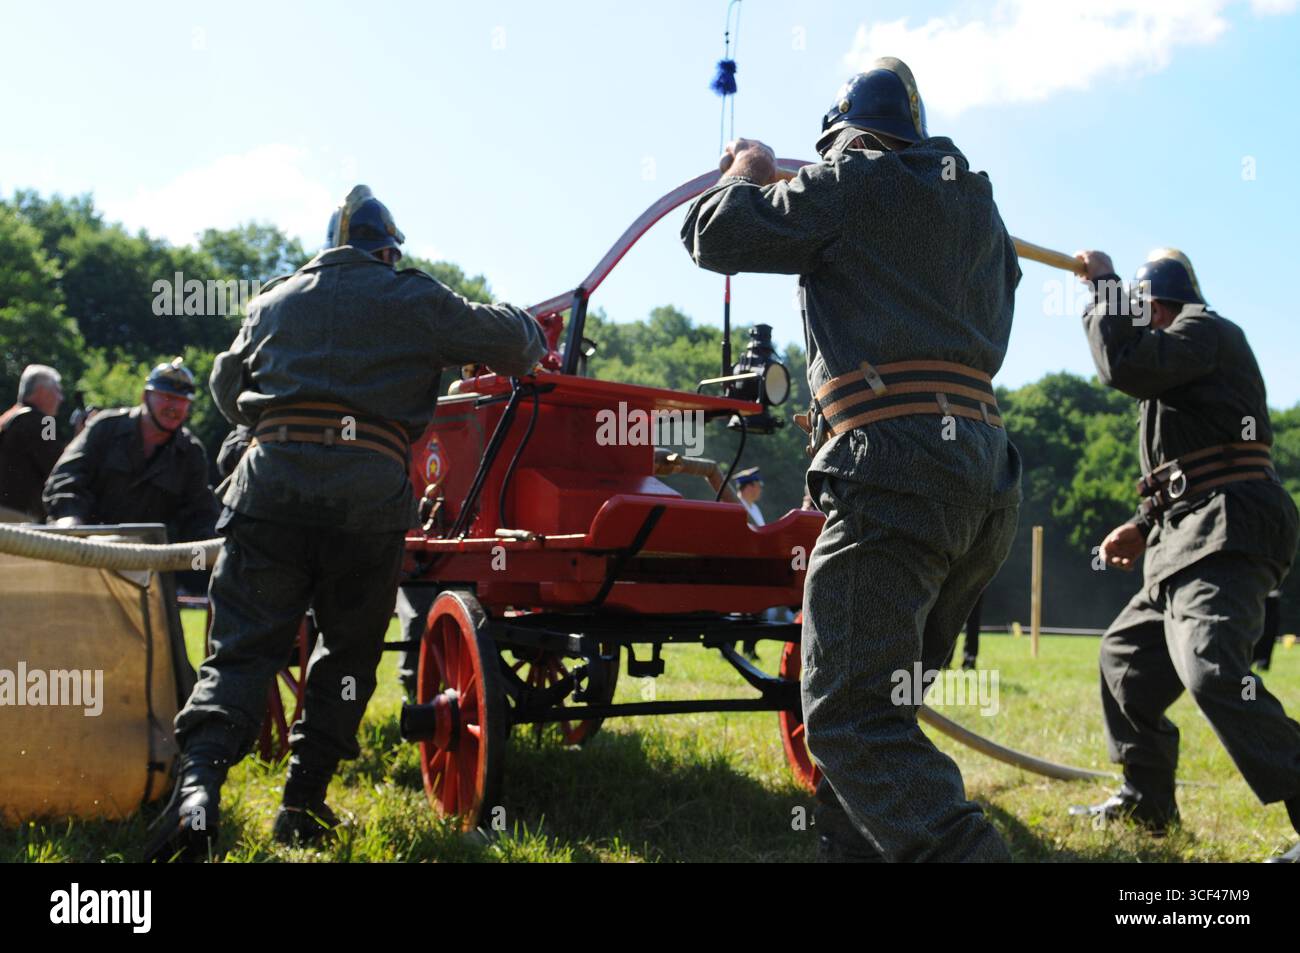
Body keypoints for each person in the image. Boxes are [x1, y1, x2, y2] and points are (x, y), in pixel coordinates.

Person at [682, 58, 1022, 862]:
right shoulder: (979, 207)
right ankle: (852, 848)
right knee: (887, 697)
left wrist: (746, 172)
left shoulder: (855, 178)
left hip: (895, 468)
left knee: (846, 713)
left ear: (848, 137)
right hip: (985, 473)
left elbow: (714, 233)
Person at [146, 185, 547, 860]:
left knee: (241, 649)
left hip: (269, 487)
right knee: (348, 654)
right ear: (387, 251)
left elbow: (224, 385)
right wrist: (524, 321)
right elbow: (516, 344)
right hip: (367, 500)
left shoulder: (273, 298)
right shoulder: (413, 296)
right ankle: (302, 802)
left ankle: (197, 794)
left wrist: (279, 421)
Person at [1071, 248, 1300, 861]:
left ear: (1155, 305)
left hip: (1229, 527)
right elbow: (1189, 467)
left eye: (1138, 310)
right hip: (1184, 537)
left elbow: (1122, 364)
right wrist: (1141, 523)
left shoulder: (1205, 331)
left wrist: (1103, 288)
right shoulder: (1176, 365)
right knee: (1125, 660)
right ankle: (1146, 799)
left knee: (1211, 670)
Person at [42, 359, 217, 544]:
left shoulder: (191, 453)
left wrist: (206, 547)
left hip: (148, 555)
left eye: (182, 400)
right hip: (85, 546)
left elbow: (201, 513)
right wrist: (70, 518)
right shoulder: (106, 428)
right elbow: (65, 477)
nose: (174, 406)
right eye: (167, 396)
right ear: (145, 396)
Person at [0, 364, 66, 520]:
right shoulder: (46, 422)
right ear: (42, 391)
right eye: (57, 390)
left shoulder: (8, 417)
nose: (61, 398)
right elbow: (59, 467)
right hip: (16, 516)